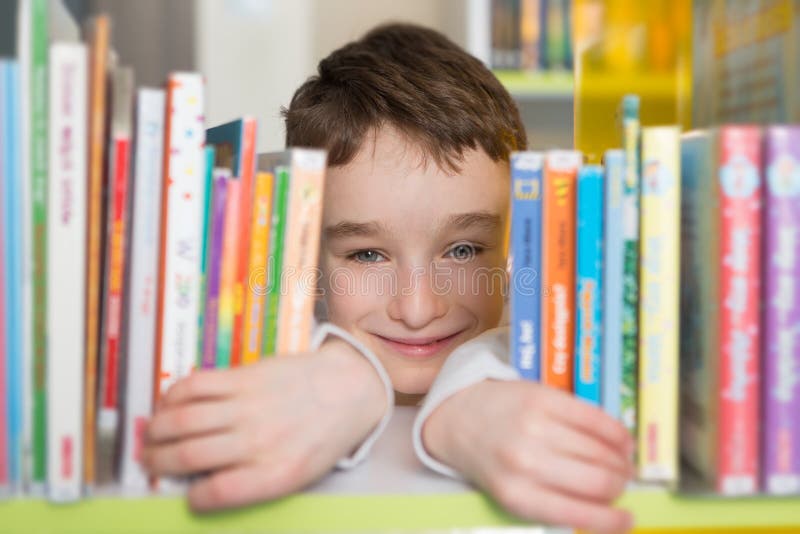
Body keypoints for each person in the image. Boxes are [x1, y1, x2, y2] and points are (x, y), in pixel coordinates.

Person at [142, 23, 634, 534]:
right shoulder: (264, 352)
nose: (418, 309)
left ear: (518, 239)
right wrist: (354, 378)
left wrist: (463, 402)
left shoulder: (565, 348)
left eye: (463, 249)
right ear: (305, 252)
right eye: (368, 255)